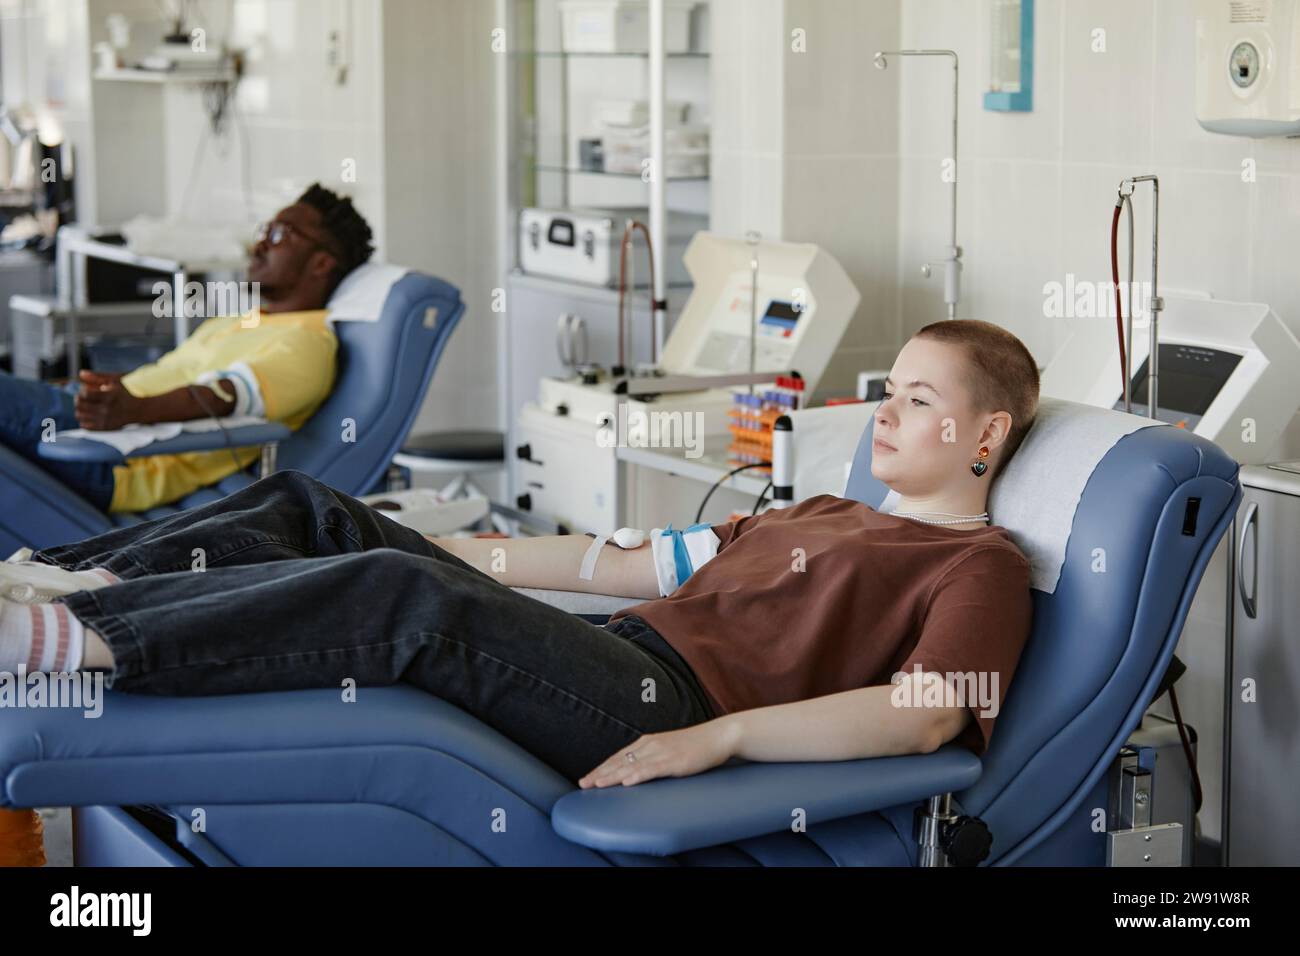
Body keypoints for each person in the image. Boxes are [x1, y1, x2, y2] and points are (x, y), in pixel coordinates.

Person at [0, 320, 1039, 790]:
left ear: (985, 436)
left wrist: (719, 743)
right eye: (887, 388)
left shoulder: (976, 562)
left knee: (401, 596)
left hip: (667, 701)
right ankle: (61, 576)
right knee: (320, 508)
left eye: (918, 398)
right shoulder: (816, 505)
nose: (884, 413)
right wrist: (451, 544)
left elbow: (925, 715)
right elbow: (625, 563)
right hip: (613, 648)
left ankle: (59, 640)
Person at [0, 183, 374, 514]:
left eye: (279, 235)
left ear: (322, 262)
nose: (259, 244)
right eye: (265, 230)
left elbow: (225, 395)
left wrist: (134, 408)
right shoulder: (247, 319)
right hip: (94, 419)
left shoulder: (307, 344)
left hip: (123, 456)